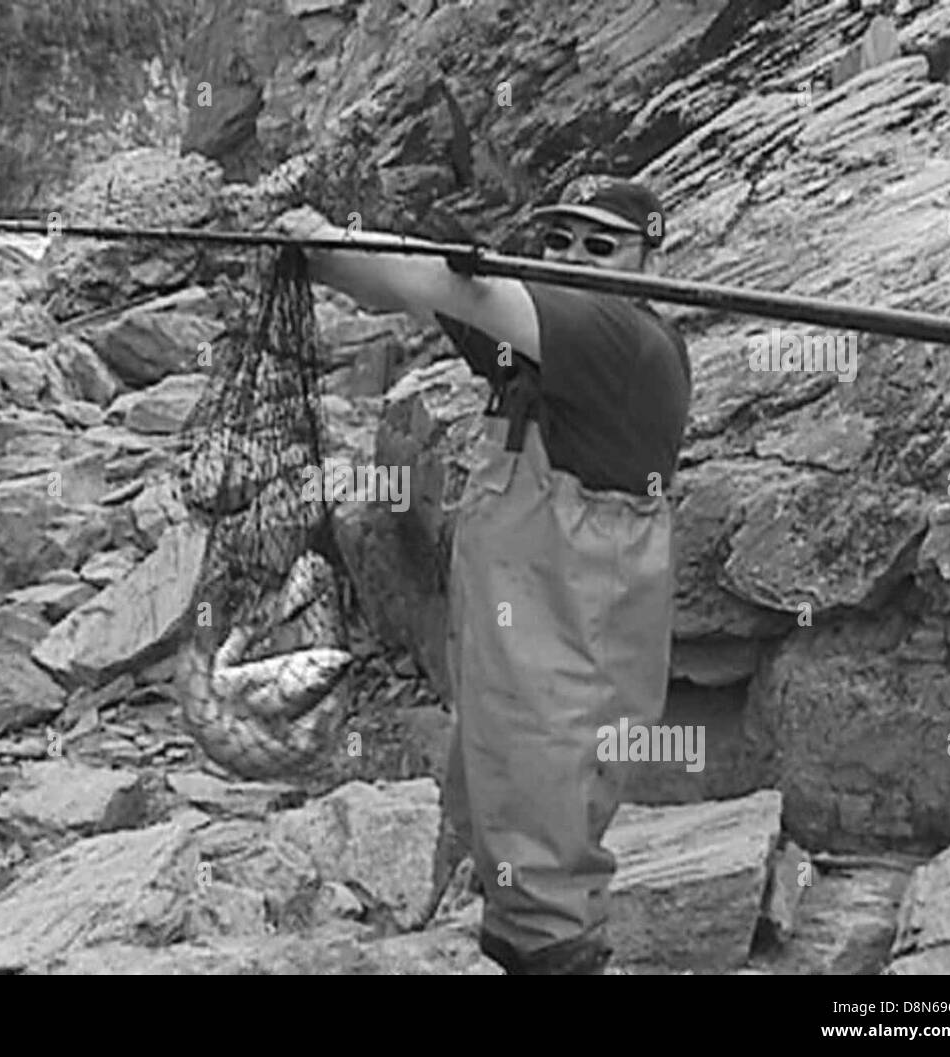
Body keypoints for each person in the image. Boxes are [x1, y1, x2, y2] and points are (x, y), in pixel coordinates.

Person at [275, 177, 692, 975]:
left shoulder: (617, 335)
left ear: (649, 260)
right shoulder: (541, 344)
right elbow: (421, 291)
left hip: (570, 642)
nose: (573, 257)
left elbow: (452, 286)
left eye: (601, 245)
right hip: (519, 633)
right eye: (559, 240)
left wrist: (328, 236)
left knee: (542, 837)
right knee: (503, 812)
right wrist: (321, 253)